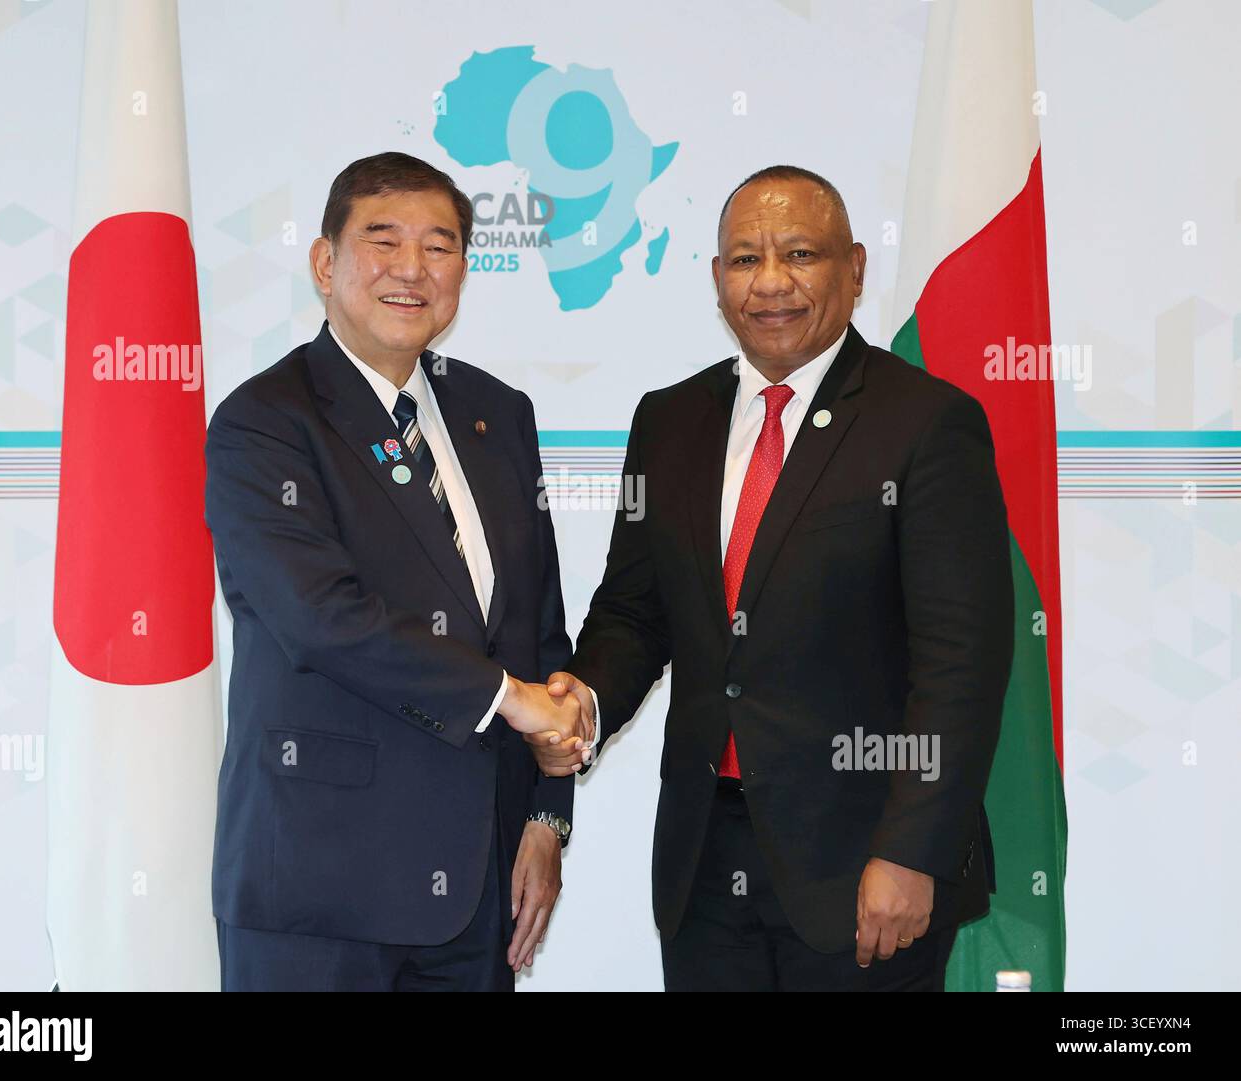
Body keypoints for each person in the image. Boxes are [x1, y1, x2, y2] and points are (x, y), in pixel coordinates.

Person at [533, 166, 1015, 992]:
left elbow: (961, 666)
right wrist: (584, 701)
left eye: (800, 254)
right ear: (717, 280)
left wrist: (910, 850)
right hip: (704, 863)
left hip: (863, 863)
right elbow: (634, 615)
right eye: (744, 259)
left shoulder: (928, 423)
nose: (771, 283)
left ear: (855, 269)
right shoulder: (670, 420)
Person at [205, 152, 590, 991]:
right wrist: (507, 697)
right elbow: (320, 617)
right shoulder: (264, 423)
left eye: (440, 247)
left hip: (476, 894)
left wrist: (546, 816)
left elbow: (538, 630)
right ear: (324, 263)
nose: (412, 269)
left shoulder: (499, 415)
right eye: (383, 241)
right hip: (320, 895)